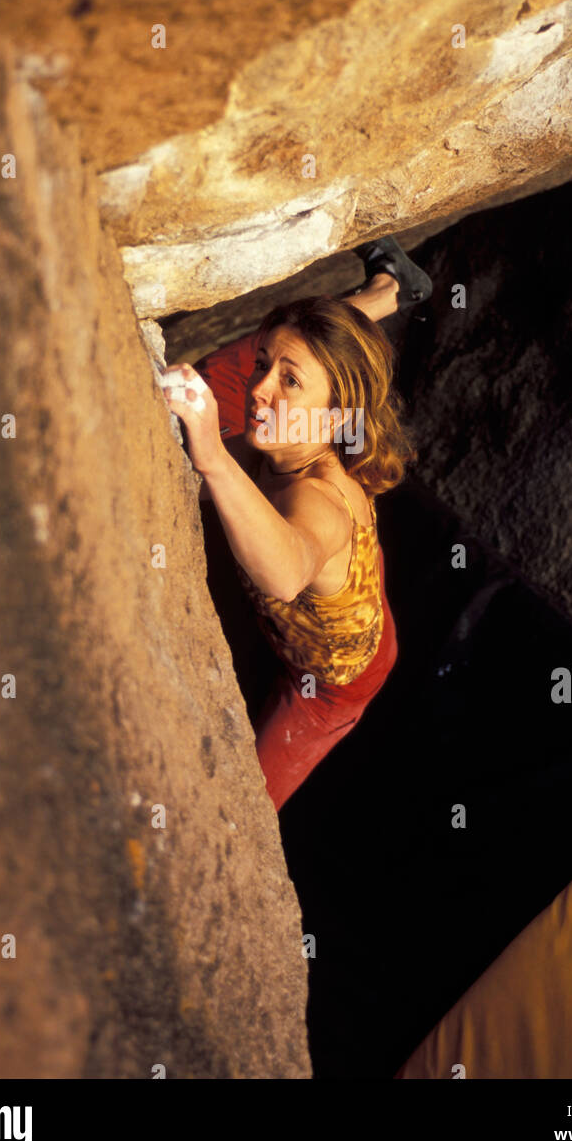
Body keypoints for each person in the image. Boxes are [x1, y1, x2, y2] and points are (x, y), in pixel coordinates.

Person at [161, 237, 432, 811]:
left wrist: (210, 453)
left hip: (331, 680)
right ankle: (386, 294)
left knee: (240, 805)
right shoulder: (292, 425)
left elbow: (286, 572)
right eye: (266, 368)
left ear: (336, 416)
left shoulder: (321, 507)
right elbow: (292, 366)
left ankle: (379, 300)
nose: (262, 389)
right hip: (344, 579)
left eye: (288, 382)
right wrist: (278, 376)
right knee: (228, 371)